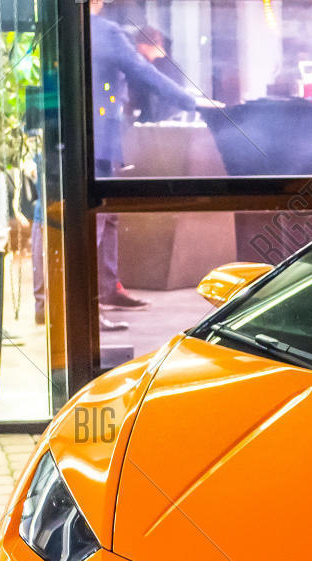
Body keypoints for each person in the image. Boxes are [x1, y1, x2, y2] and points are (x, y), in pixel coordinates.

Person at [88, 0, 218, 328]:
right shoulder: (104, 31)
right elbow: (143, 72)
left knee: (105, 218)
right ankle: (85, 303)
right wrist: (194, 102)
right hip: (96, 142)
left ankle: (102, 289)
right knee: (94, 223)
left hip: (86, 141)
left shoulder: (68, 32)